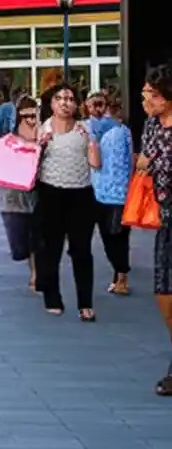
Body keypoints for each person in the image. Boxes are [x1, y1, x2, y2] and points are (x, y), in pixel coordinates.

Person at [34, 83, 97, 321]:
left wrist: (92, 144)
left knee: (82, 251)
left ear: (76, 104)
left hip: (81, 194)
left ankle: (85, 303)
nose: (65, 102)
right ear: (51, 103)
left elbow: (96, 164)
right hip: (50, 193)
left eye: (69, 98)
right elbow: (29, 165)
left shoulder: (85, 130)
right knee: (51, 249)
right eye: (59, 98)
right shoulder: (42, 130)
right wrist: (39, 147)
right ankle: (52, 297)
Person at [137, 65, 172, 396]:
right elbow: (144, 162)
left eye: (152, 94)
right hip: (165, 215)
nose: (145, 99)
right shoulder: (151, 124)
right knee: (163, 289)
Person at [87, 93, 133, 297]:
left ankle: (121, 276)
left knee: (109, 238)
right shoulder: (125, 131)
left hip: (102, 192)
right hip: (123, 192)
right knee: (121, 237)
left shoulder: (96, 132)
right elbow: (131, 160)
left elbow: (96, 163)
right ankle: (120, 276)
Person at [0, 98, 41, 290]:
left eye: (33, 115)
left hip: (39, 194)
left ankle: (36, 275)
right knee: (22, 243)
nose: (30, 120)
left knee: (38, 239)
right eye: (25, 116)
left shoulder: (44, 136)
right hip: (15, 198)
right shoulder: (9, 140)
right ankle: (34, 271)